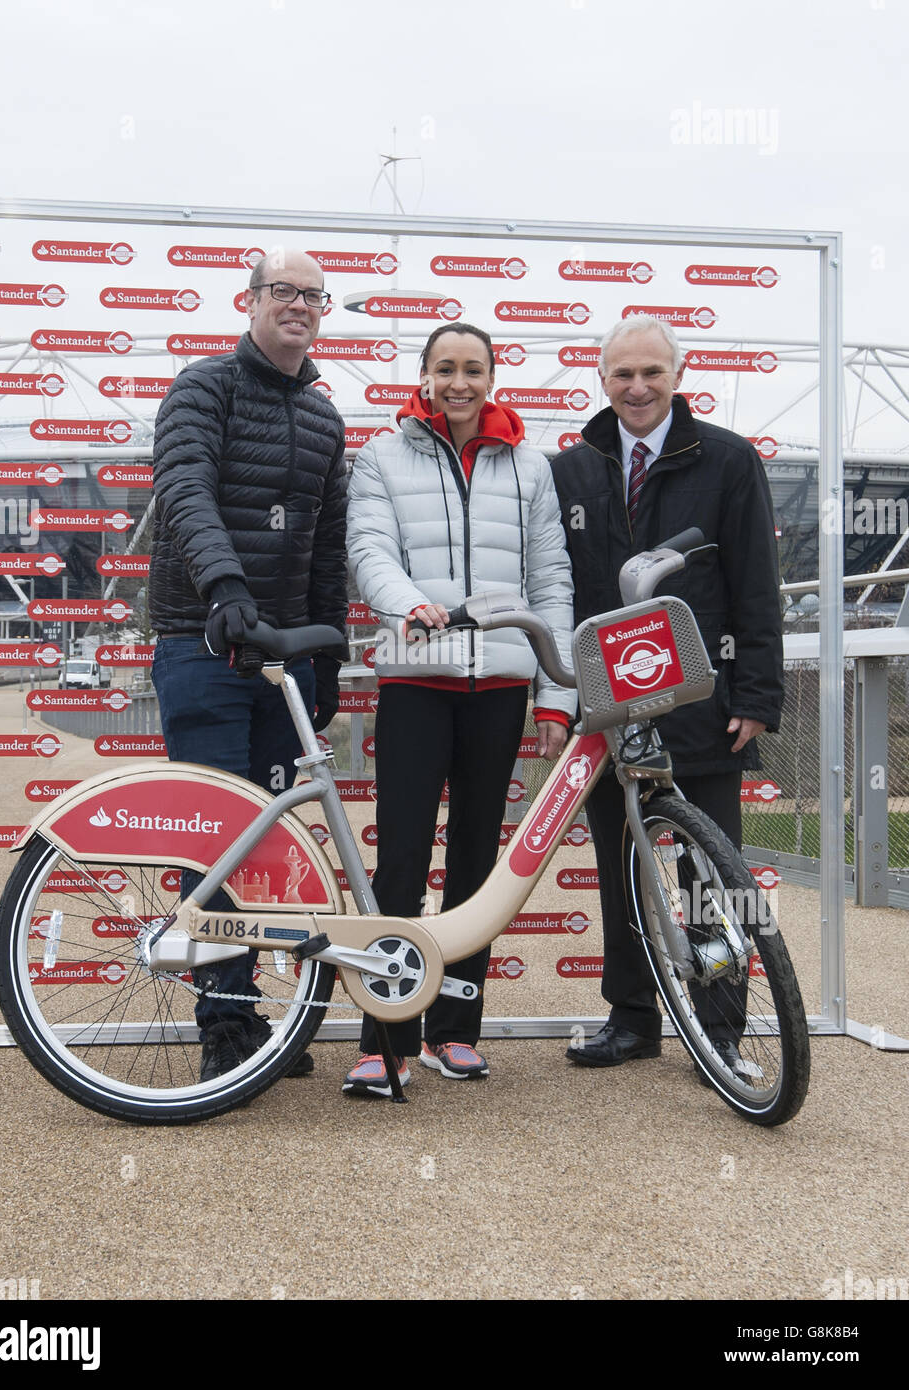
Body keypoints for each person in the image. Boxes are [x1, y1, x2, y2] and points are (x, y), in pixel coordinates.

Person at [344, 322, 577, 1097]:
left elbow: (551, 583)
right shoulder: (381, 456)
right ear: (424, 375)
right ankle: (386, 1040)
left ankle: (455, 1032)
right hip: (416, 678)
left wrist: (556, 692)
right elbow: (370, 549)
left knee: (478, 867)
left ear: (491, 376)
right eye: (445, 368)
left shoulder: (531, 468)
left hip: (503, 688)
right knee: (402, 862)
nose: (459, 383)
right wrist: (408, 605)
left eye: (473, 369)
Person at [551, 314, 783, 1075]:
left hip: (702, 701)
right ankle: (633, 1018)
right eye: (623, 374)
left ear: (677, 377)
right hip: (608, 706)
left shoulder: (727, 460)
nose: (638, 387)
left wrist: (755, 692)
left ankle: (718, 1027)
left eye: (652, 373)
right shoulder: (575, 468)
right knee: (625, 867)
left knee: (713, 876)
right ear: (603, 380)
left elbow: (757, 584)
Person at [149, 248, 347, 1081]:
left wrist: (329, 644)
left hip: (284, 660)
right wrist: (224, 583)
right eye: (284, 292)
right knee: (215, 842)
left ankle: (258, 1010)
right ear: (252, 300)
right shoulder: (203, 387)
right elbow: (185, 483)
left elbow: (327, 544)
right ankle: (224, 1027)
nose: (298, 305)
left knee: (270, 841)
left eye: (313, 295)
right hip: (203, 638)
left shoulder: (327, 419)